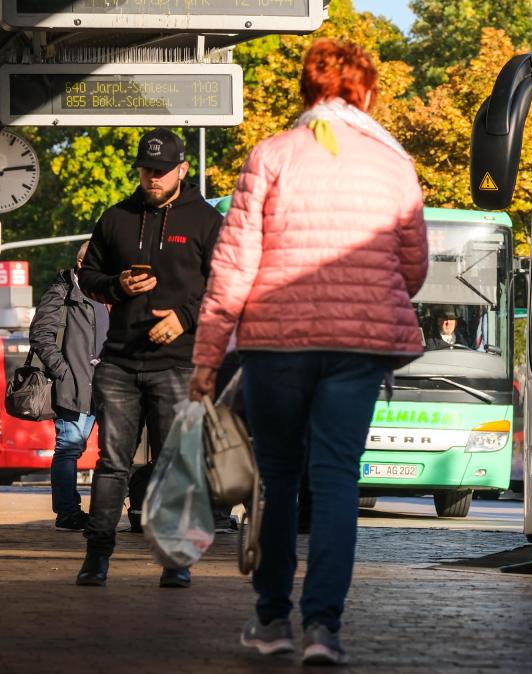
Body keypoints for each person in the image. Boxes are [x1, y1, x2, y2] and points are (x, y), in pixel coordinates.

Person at [188, 39, 427, 665]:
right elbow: (413, 268)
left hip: (276, 343)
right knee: (337, 478)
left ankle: (272, 620)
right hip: (358, 346)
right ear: (365, 93)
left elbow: (233, 268)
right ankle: (324, 627)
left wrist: (208, 358)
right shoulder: (393, 165)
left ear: (306, 92)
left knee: (277, 476)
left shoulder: (270, 156)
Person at [74, 128, 224, 589]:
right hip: (119, 363)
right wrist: (116, 286)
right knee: (111, 465)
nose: (152, 177)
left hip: (178, 364)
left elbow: (226, 287)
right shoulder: (116, 217)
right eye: (146, 169)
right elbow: (88, 276)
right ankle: (97, 556)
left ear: (182, 169)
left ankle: (175, 559)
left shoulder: (206, 221)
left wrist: (184, 318)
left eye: (161, 170)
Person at [29, 242, 109, 531]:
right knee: (69, 447)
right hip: (73, 384)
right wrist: (63, 371)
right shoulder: (62, 290)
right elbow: (40, 333)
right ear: (80, 263)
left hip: (103, 385)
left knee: (104, 451)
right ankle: (67, 513)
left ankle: (98, 513)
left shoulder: (104, 292)